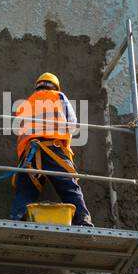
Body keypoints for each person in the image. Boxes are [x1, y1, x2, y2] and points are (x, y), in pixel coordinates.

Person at [9, 72, 93, 226]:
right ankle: (82, 219)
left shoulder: (26, 103)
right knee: (68, 186)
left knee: (26, 188)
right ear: (55, 86)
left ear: (37, 86)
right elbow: (72, 122)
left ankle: (17, 218)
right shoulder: (58, 96)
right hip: (53, 148)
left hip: (30, 153)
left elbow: (20, 129)